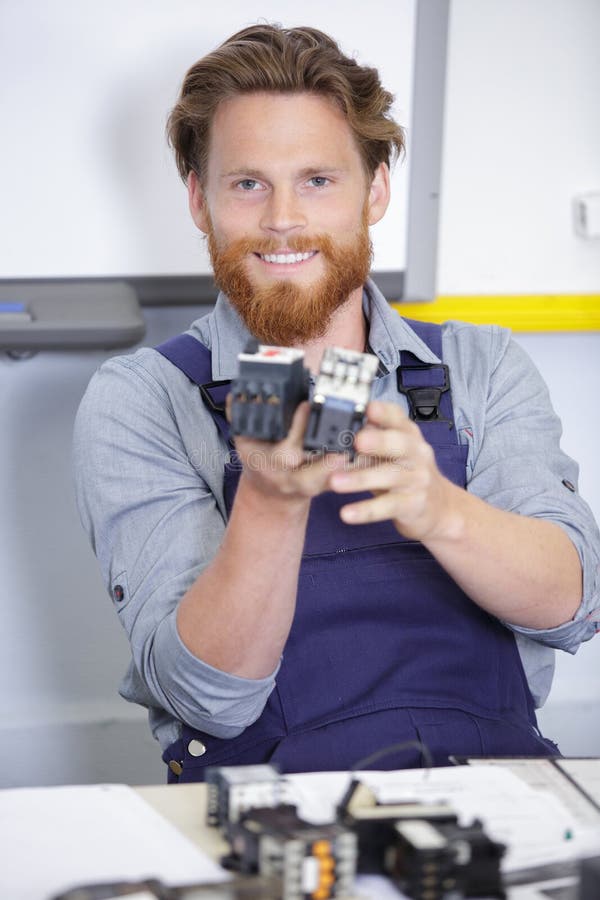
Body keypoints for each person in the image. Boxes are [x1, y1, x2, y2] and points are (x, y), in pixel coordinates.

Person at [73, 24, 600, 782]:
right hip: (271, 821)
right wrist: (270, 501)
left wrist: (440, 510)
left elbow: (574, 608)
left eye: (317, 179)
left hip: (495, 797)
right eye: (248, 183)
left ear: (376, 188)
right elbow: (206, 697)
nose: (283, 219)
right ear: (199, 200)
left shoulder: (479, 366)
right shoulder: (143, 400)